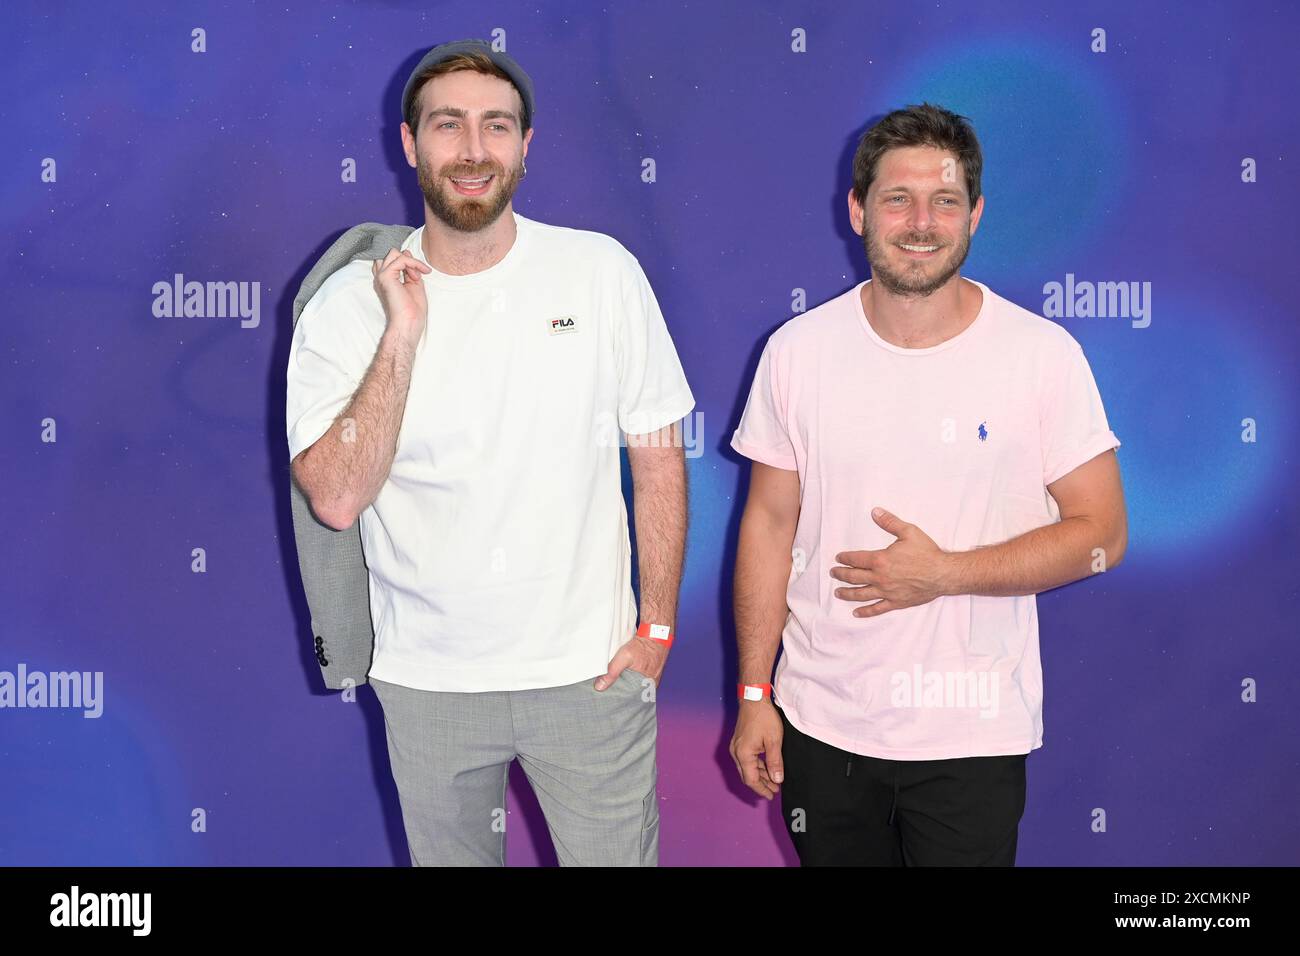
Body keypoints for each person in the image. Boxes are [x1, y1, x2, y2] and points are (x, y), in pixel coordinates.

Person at [286, 39, 694, 866]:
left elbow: (658, 455)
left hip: (592, 674)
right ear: (410, 144)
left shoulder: (599, 271)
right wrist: (402, 335)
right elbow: (334, 497)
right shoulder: (345, 306)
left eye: (496, 127)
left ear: (525, 144)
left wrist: (655, 629)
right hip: (427, 682)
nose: (473, 151)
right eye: (448, 126)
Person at [727, 102, 1127, 866]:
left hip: (972, 732)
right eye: (897, 199)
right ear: (857, 210)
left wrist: (944, 575)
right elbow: (770, 524)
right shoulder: (796, 352)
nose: (921, 221)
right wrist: (754, 693)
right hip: (823, 723)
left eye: (944, 201)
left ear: (974, 213)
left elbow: (1102, 534)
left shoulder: (1041, 356)